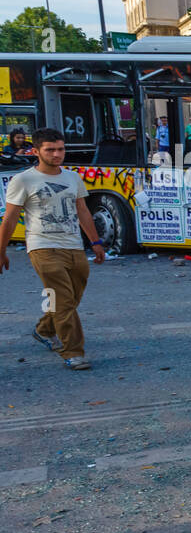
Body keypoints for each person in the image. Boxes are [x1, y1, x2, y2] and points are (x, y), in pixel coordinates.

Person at [0, 128, 106, 369]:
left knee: (72, 296)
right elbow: (8, 219)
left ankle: (44, 329)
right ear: (36, 151)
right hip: (42, 246)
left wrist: (96, 242)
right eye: (50, 150)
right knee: (62, 299)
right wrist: (1, 251)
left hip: (74, 246)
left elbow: (82, 211)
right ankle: (73, 352)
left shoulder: (72, 178)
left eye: (60, 149)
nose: (57, 154)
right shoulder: (23, 180)